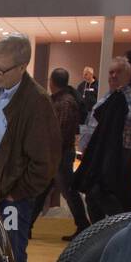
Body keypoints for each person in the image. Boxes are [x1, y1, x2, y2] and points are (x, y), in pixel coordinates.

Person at [0, 33, 60, 262]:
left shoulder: (38, 102)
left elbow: (45, 163)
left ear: (21, 67)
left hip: (12, 197)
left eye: (1, 70)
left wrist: (14, 193)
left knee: (12, 258)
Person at [72, 56, 131, 226]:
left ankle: (120, 230)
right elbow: (93, 125)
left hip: (120, 156)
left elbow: (128, 125)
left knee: (105, 193)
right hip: (99, 155)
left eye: (118, 72)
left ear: (128, 75)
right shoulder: (106, 98)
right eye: (111, 72)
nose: (113, 76)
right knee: (92, 195)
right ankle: (99, 232)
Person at [34, 67, 83, 234]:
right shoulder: (62, 100)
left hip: (59, 154)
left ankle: (83, 224)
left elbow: (59, 132)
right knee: (44, 189)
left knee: (67, 191)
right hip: (58, 154)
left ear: (52, 82)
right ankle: (27, 225)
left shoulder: (63, 102)